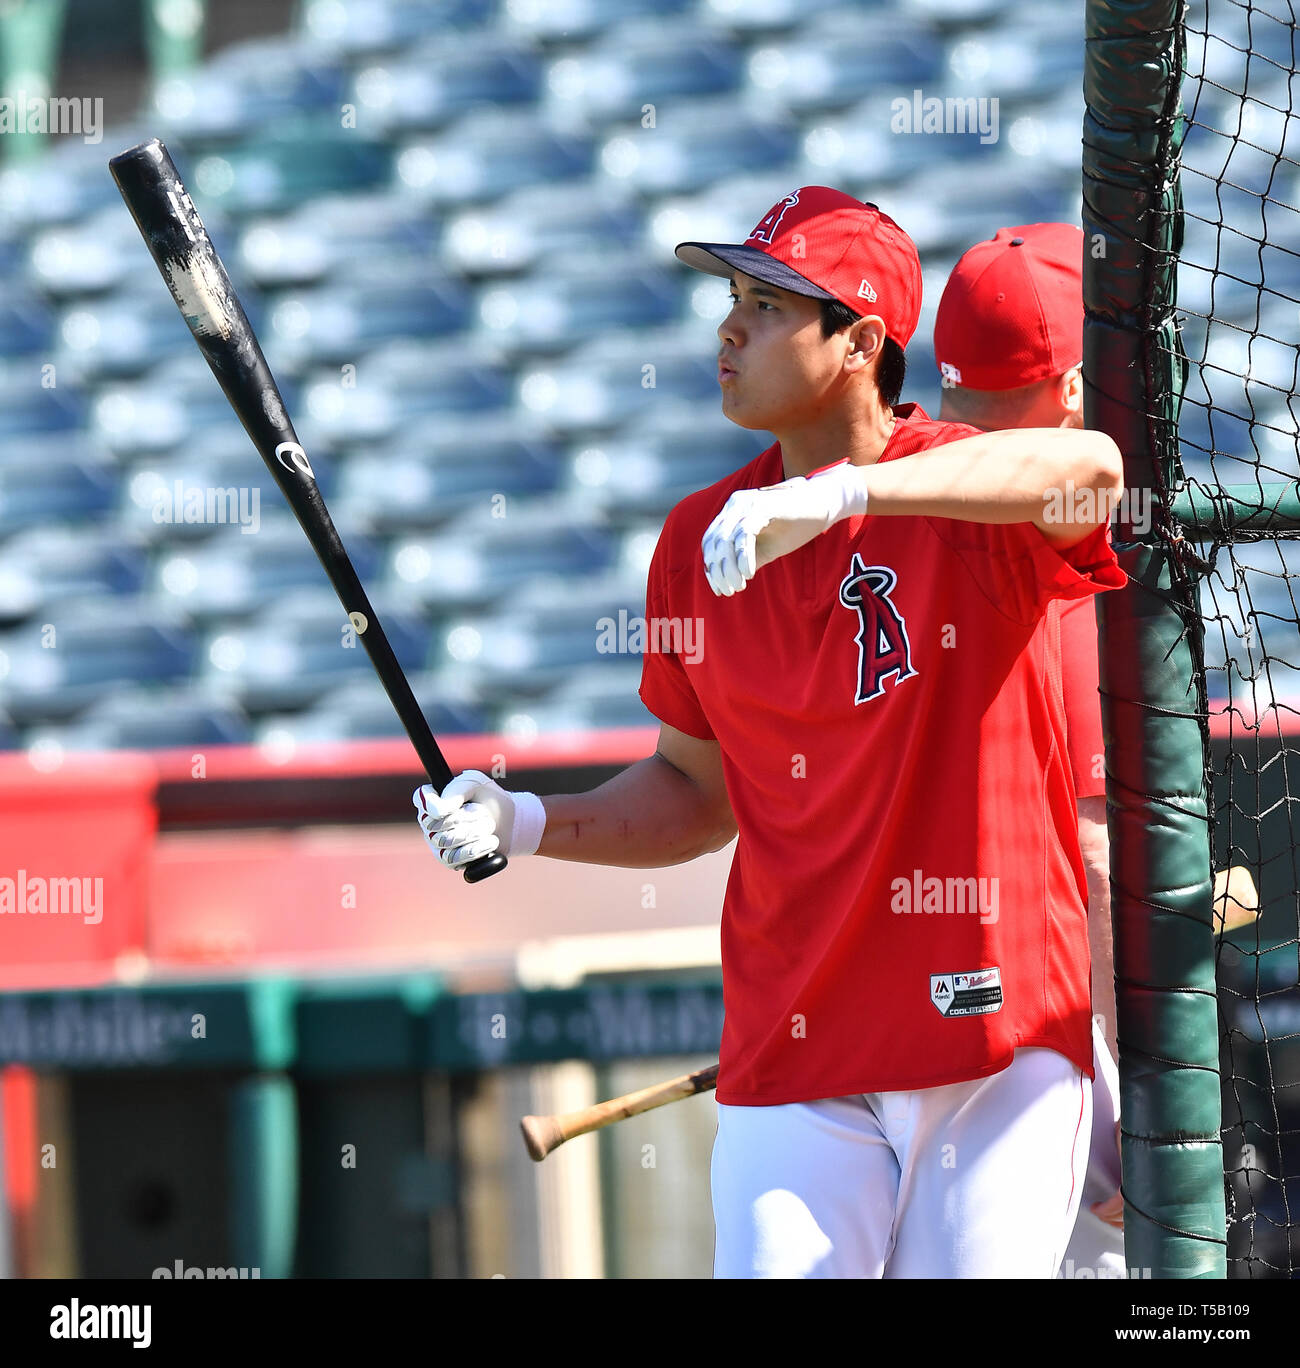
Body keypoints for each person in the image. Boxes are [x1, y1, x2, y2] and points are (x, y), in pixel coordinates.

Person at [414, 186, 1126, 1277]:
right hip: (794, 1045)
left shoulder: (957, 489)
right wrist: (525, 818)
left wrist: (843, 498)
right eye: (732, 298)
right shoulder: (698, 535)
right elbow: (694, 797)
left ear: (860, 343)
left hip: (994, 1043)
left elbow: (1092, 473)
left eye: (768, 303)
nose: (728, 328)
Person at [934, 222, 1124, 1278]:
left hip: (903, 1057)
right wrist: (1126, 1099)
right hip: (1037, 1078)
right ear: (1072, 386)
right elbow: (1093, 863)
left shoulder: (893, 531)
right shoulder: (1063, 567)